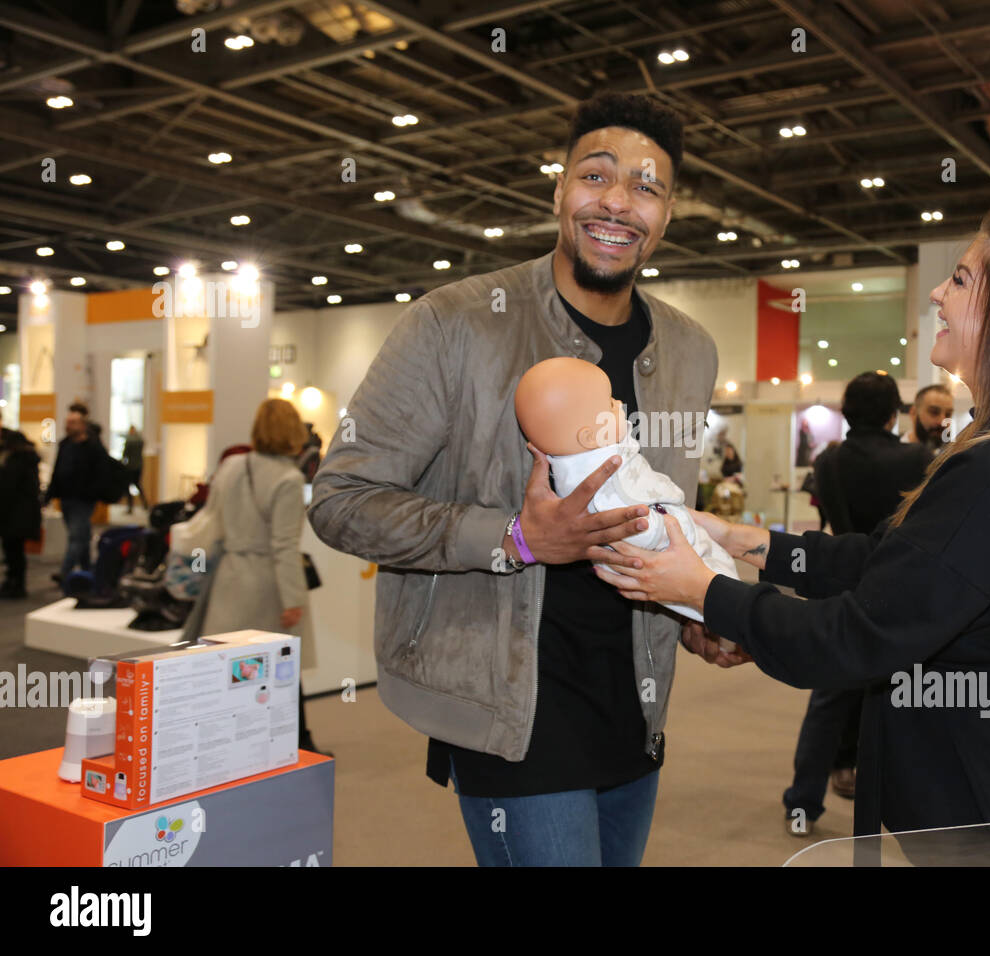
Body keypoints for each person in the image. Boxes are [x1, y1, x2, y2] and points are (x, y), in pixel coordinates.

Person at [595, 203, 990, 848]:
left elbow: (859, 634)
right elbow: (893, 568)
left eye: (958, 279)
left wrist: (702, 591)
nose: (936, 293)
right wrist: (741, 542)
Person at [309, 93, 733, 867]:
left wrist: (692, 606)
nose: (616, 201)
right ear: (559, 190)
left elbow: (662, 510)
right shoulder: (454, 325)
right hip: (509, 708)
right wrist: (516, 537)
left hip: (635, 699)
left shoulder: (690, 350)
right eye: (595, 175)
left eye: (646, 186)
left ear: (668, 214)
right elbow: (341, 501)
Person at [783, 372, 931, 835]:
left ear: (846, 412)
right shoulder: (919, 459)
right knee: (905, 704)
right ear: (895, 413)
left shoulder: (828, 461)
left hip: (841, 587)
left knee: (828, 704)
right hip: (900, 593)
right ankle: (909, 815)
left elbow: (830, 524)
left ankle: (802, 804)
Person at [197, 399, 324, 755]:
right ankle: (297, 743)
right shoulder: (288, 479)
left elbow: (213, 519)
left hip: (230, 576)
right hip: (267, 584)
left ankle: (224, 745)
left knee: (227, 668)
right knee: (282, 667)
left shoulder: (232, 466)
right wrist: (294, 599)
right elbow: (284, 546)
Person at [44, 402, 107, 586]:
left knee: (76, 536)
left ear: (82, 425)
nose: (68, 426)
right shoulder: (65, 444)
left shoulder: (93, 446)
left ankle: (65, 572)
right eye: (67, 422)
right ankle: (87, 571)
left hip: (84, 500)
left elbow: (101, 472)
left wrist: (92, 493)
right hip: (66, 498)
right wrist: (49, 495)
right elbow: (57, 471)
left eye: (72, 423)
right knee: (83, 536)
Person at [0, 427, 42, 599]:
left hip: (16, 514)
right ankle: (13, 581)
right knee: (12, 550)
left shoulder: (18, 461)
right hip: (16, 513)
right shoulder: (23, 460)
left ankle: (17, 583)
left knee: (14, 550)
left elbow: (9, 487)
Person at [900, 383, 954, 450]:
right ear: (913, 413)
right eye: (934, 412)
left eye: (948, 414)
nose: (942, 421)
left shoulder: (949, 456)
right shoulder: (896, 454)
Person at [121, 425, 147, 514]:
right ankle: (145, 504)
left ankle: (130, 507)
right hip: (139, 465)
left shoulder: (129, 441)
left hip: (131, 466)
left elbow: (125, 455)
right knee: (138, 485)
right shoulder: (140, 440)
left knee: (128, 486)